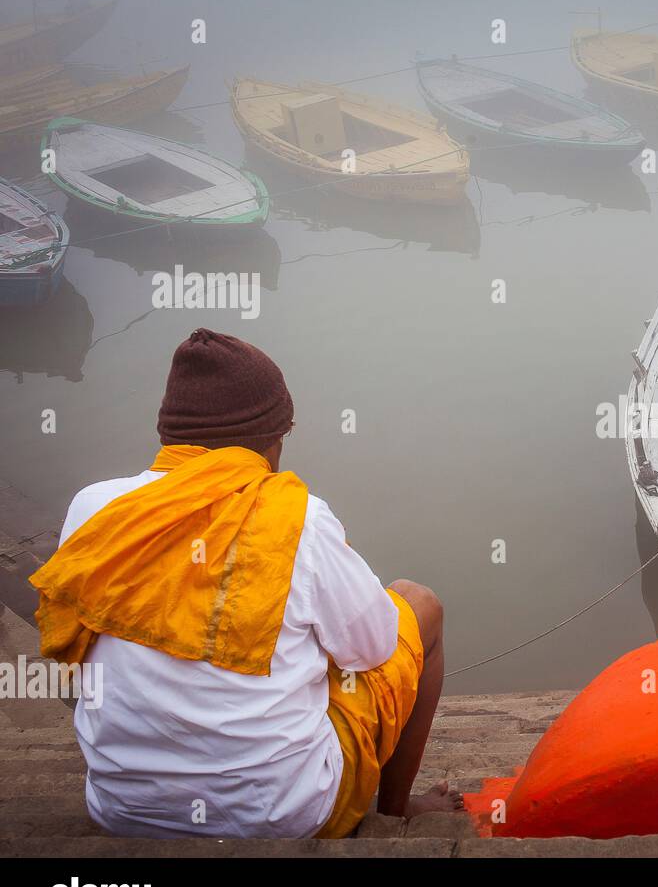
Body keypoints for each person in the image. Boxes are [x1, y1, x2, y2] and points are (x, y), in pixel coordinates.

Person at [29, 328, 460, 839]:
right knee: (419, 603)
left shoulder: (93, 509)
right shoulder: (298, 519)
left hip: (121, 809)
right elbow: (373, 648)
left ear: (169, 433)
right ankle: (391, 809)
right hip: (281, 816)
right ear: (272, 441)